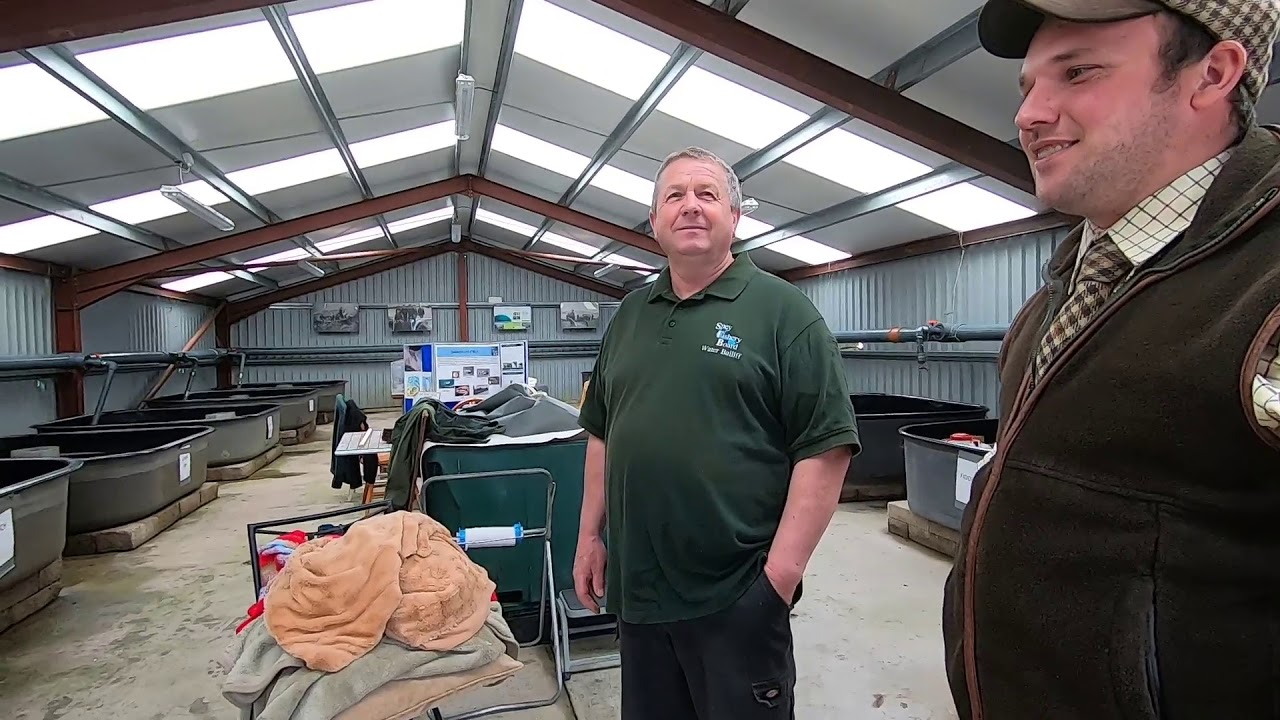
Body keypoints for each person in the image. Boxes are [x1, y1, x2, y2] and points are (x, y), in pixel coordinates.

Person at [943, 1, 1280, 718]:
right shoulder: (1074, 277)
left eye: (1078, 73)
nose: (1029, 115)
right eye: (1028, 86)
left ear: (1213, 74)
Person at [573, 147, 860, 718]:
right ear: (654, 220)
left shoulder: (784, 312)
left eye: (706, 194)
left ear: (735, 216)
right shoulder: (630, 314)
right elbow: (602, 432)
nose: (690, 206)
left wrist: (777, 581)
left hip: (737, 596)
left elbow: (826, 449)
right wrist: (588, 537)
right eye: (674, 196)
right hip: (639, 595)